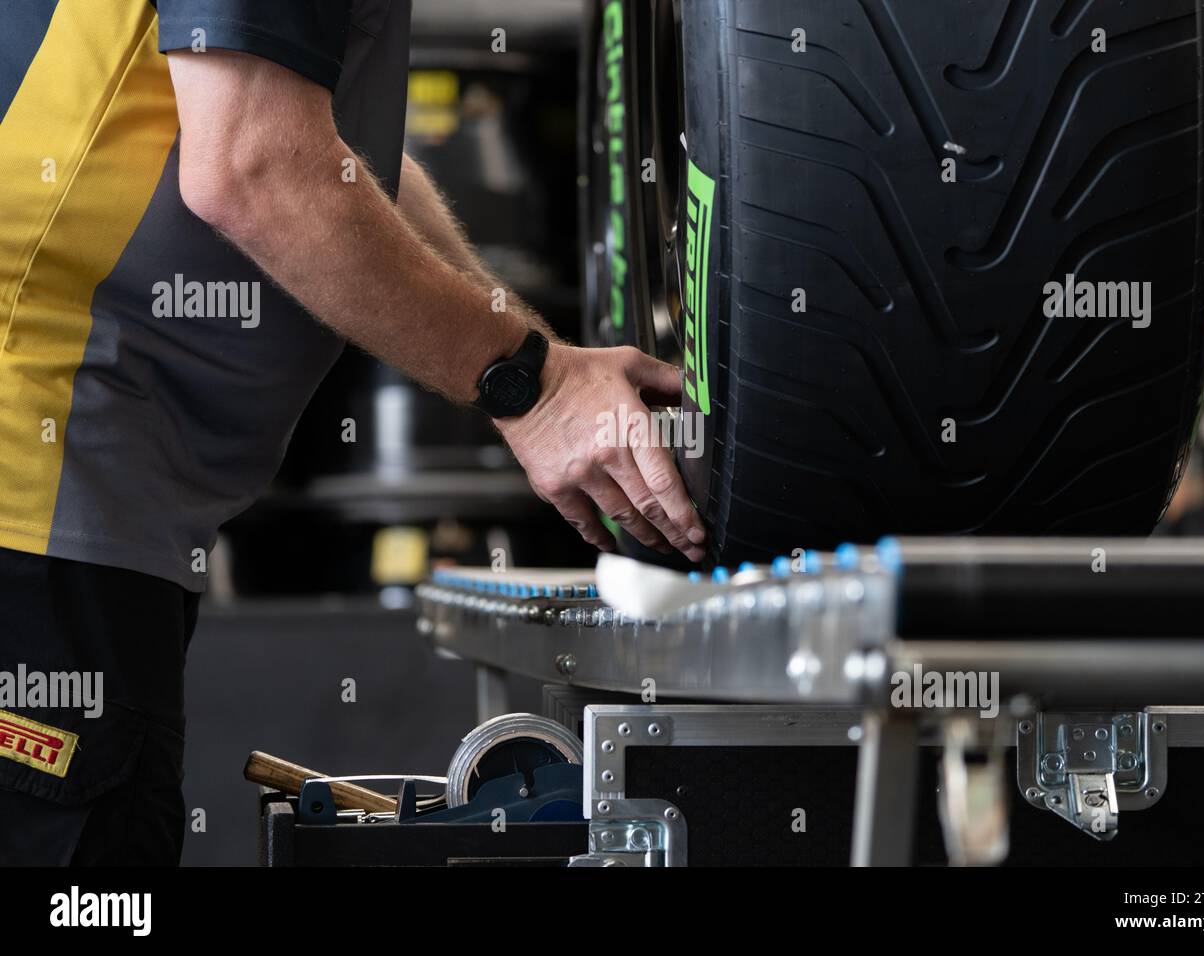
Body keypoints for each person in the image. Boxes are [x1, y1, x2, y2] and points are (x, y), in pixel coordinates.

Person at [0, 0, 704, 865]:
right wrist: (535, 391)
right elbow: (254, 166)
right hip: (39, 489)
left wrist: (542, 365)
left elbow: (327, 153)